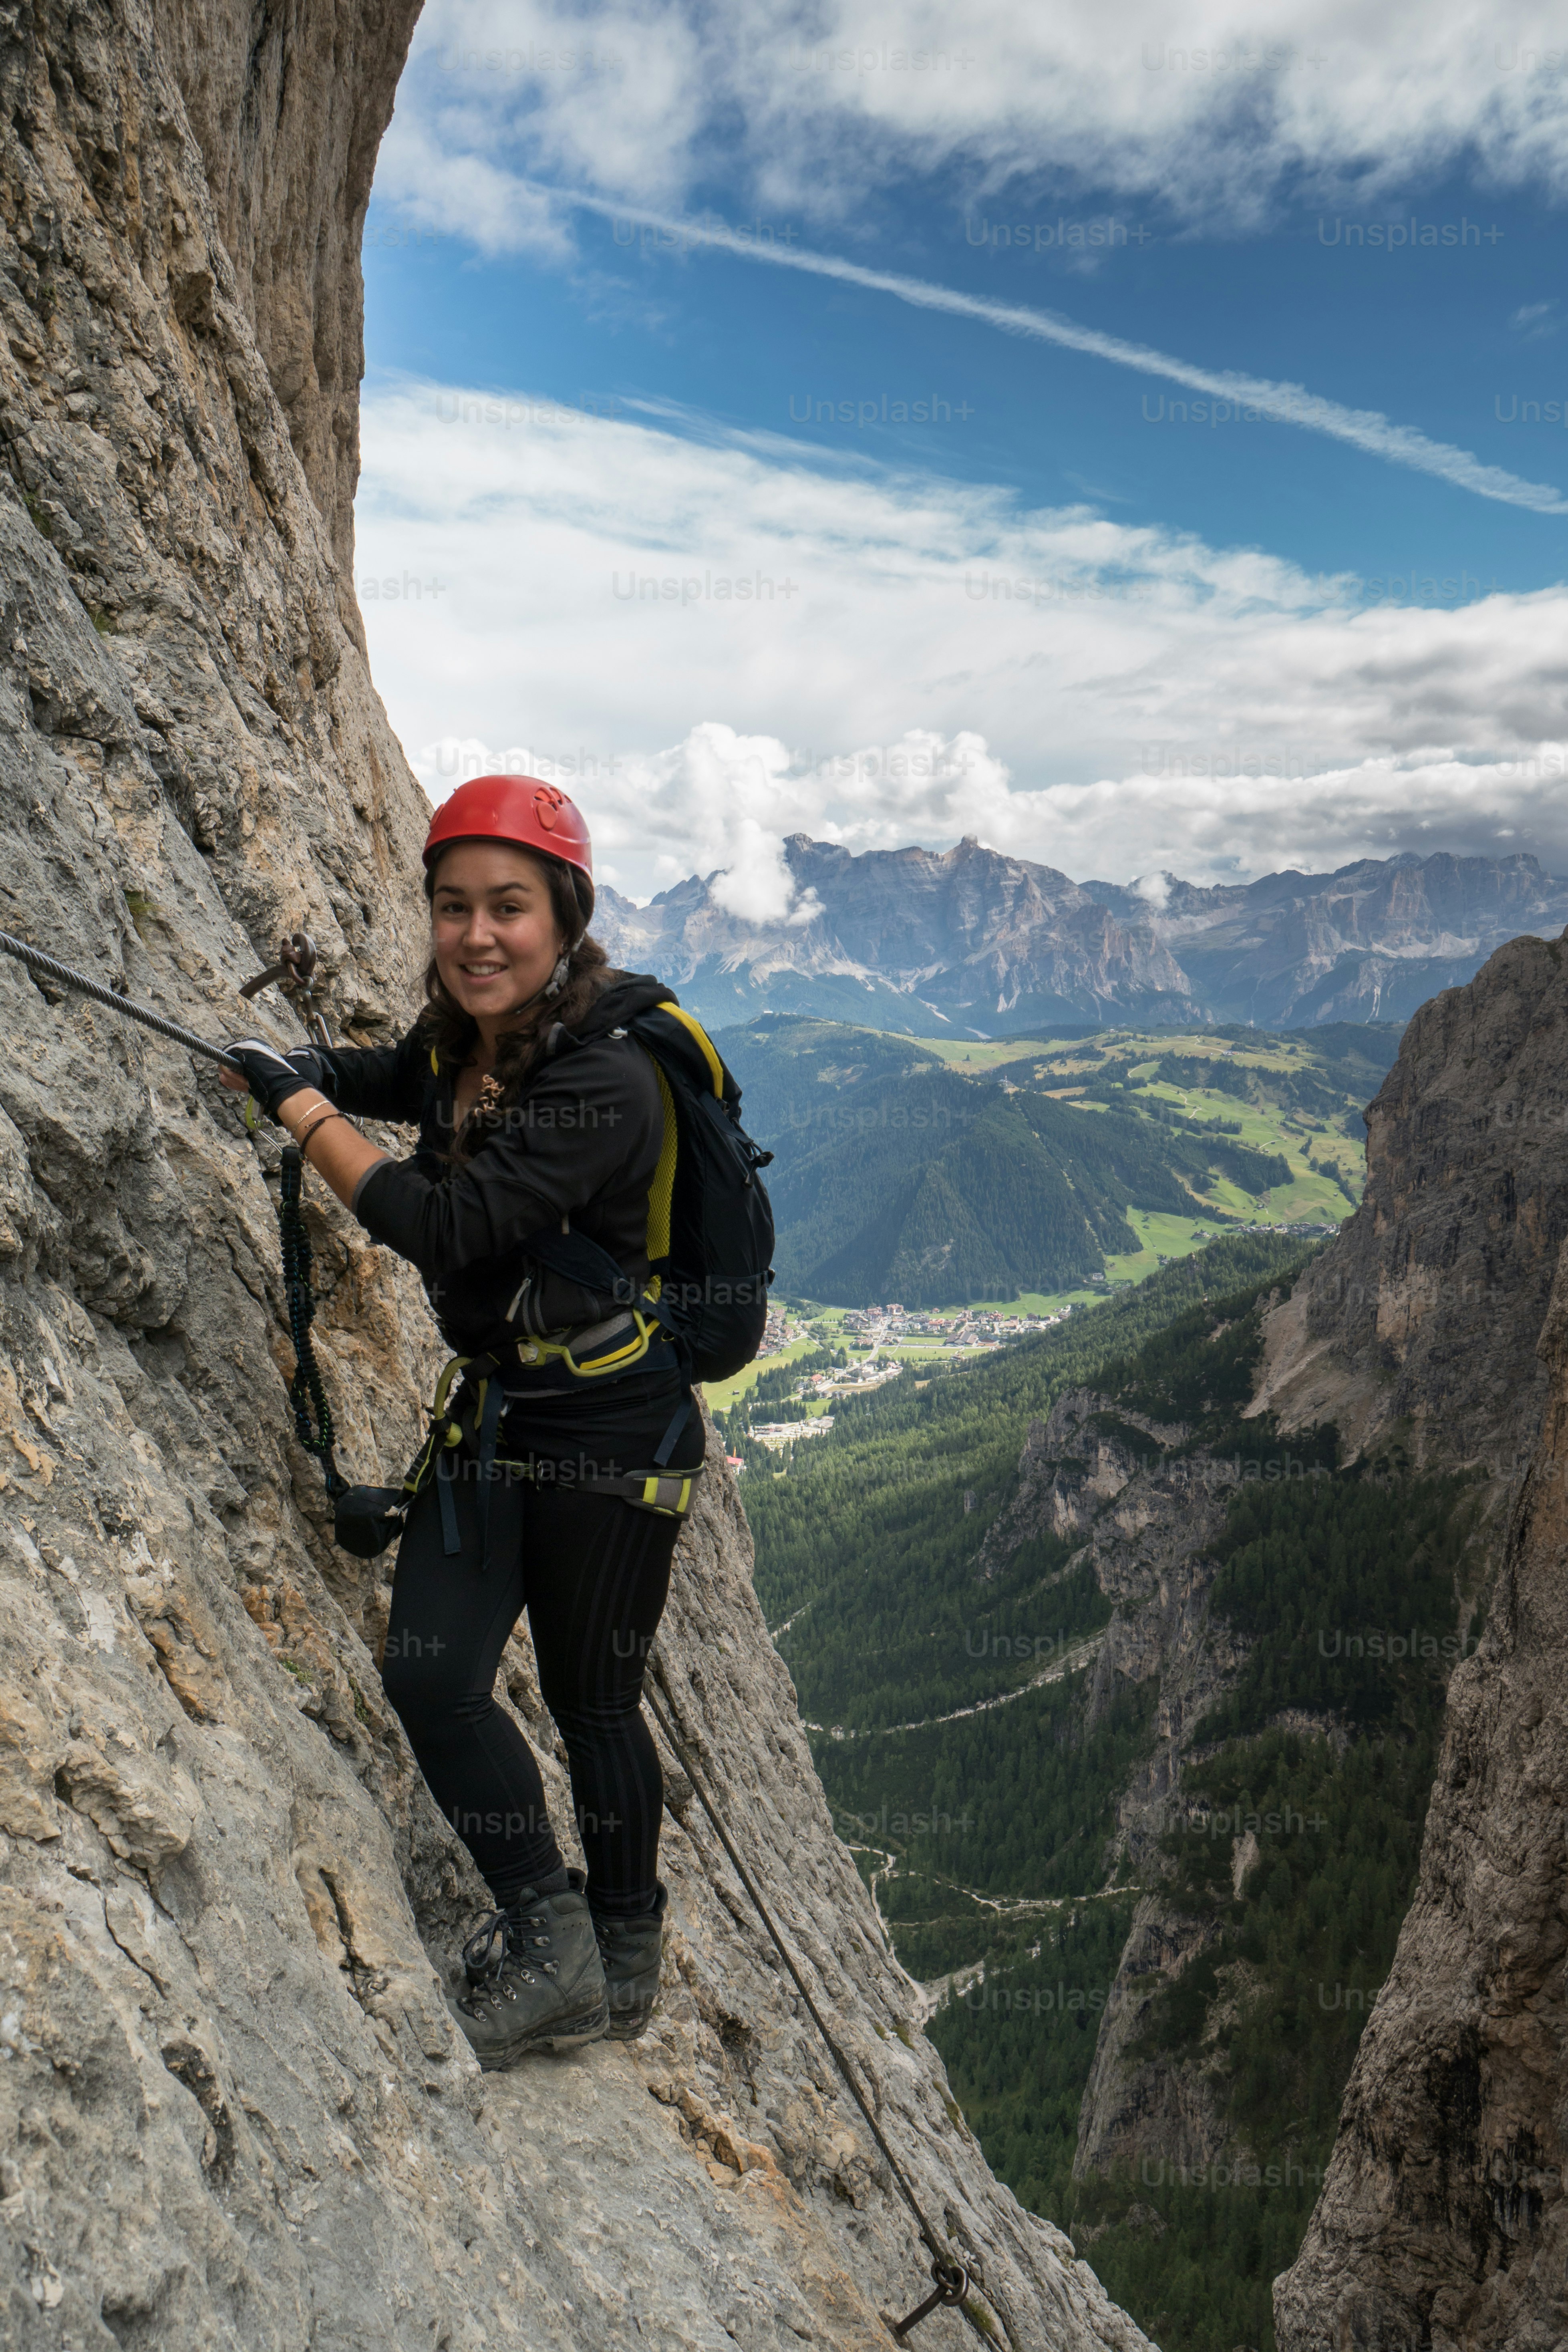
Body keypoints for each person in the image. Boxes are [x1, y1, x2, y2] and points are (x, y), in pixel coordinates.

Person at [221, 775, 702, 2069]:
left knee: (592, 1702)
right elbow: (403, 1074)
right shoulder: (464, 1041)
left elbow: (444, 1226)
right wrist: (317, 1070)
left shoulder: (607, 1080)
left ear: (565, 919)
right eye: (453, 906)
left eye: (509, 907)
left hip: (612, 1433)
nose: (477, 935)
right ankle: (551, 1936)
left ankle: (622, 1950)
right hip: (502, 1412)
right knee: (431, 1677)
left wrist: (301, 1113)